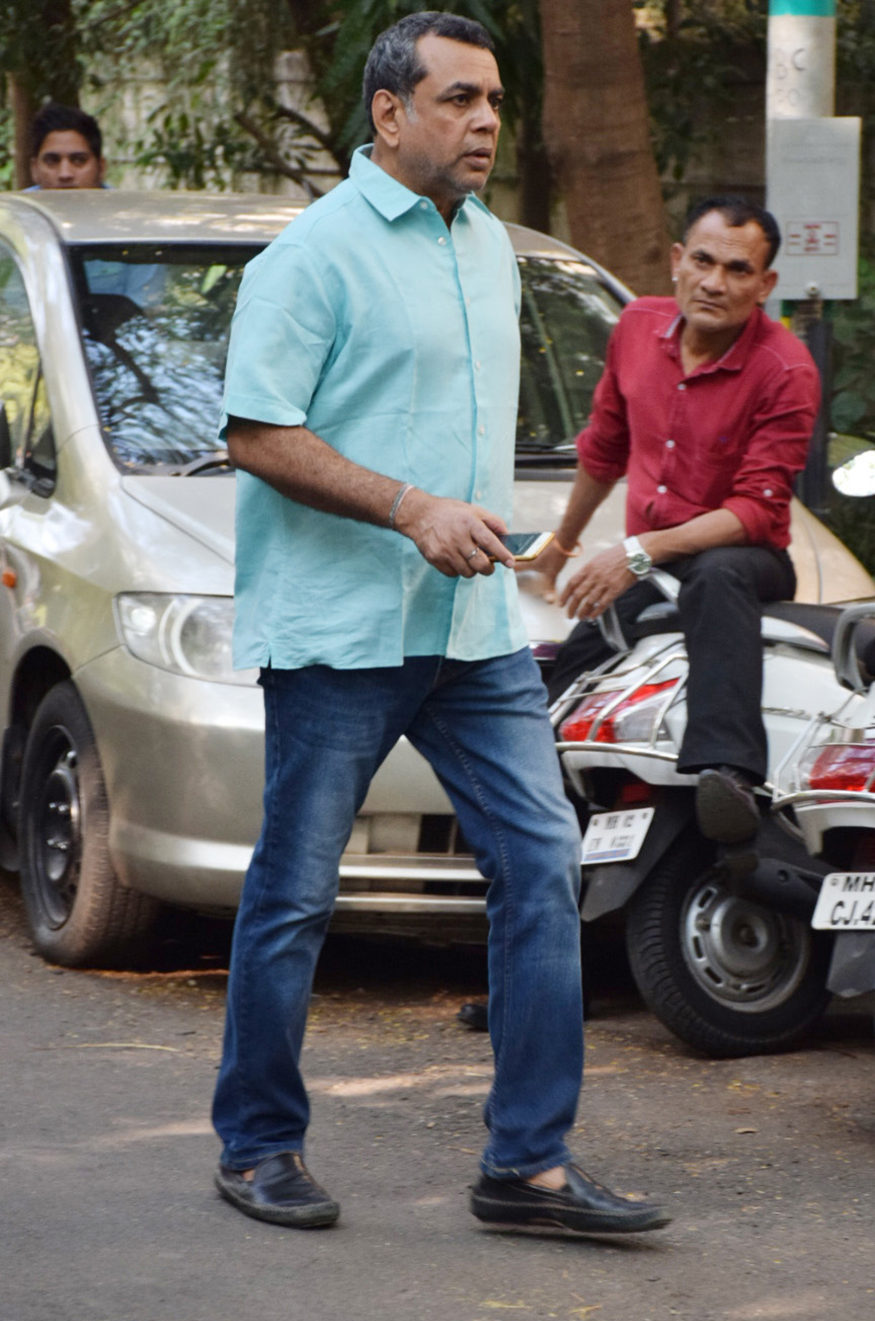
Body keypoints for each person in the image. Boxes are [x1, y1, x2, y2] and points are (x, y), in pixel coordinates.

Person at [211, 11, 670, 1237]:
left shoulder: (486, 248)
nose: (483, 122)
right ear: (388, 112)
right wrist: (407, 507)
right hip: (340, 629)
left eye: (493, 102)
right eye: (459, 99)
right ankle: (256, 1142)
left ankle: (525, 1163)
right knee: (297, 894)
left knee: (538, 863)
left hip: (470, 630)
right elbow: (256, 433)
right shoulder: (310, 256)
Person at [539, 196, 821, 845]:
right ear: (676, 261)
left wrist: (635, 551)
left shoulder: (786, 369)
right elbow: (603, 449)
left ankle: (727, 772)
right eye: (701, 260)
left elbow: (755, 509)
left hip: (741, 555)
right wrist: (561, 543)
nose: (714, 282)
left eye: (737, 269)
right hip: (652, 559)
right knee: (568, 662)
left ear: (764, 284)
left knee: (716, 574)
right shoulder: (636, 326)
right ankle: (549, 799)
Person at [28, 104, 106, 189]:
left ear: (101, 168)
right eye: (51, 161)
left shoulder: (120, 202)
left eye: (79, 160)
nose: (65, 174)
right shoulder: (15, 202)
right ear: (34, 169)